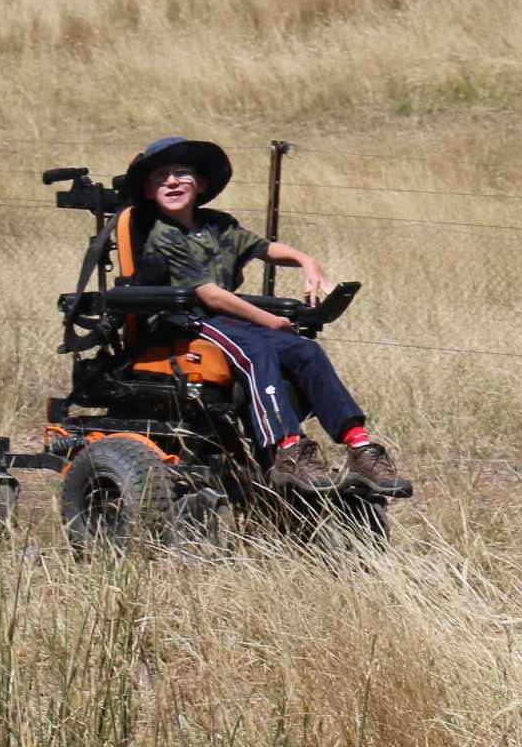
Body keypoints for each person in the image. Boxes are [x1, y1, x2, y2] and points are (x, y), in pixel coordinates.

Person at [118, 135, 411, 499]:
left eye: (182, 174)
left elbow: (265, 249)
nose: (172, 182)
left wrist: (307, 260)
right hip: (188, 322)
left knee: (305, 350)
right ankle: (288, 448)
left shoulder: (218, 225)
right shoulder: (162, 236)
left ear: (202, 184)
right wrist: (268, 320)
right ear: (148, 190)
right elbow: (208, 294)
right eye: (161, 177)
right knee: (258, 349)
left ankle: (360, 446)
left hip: (228, 319)